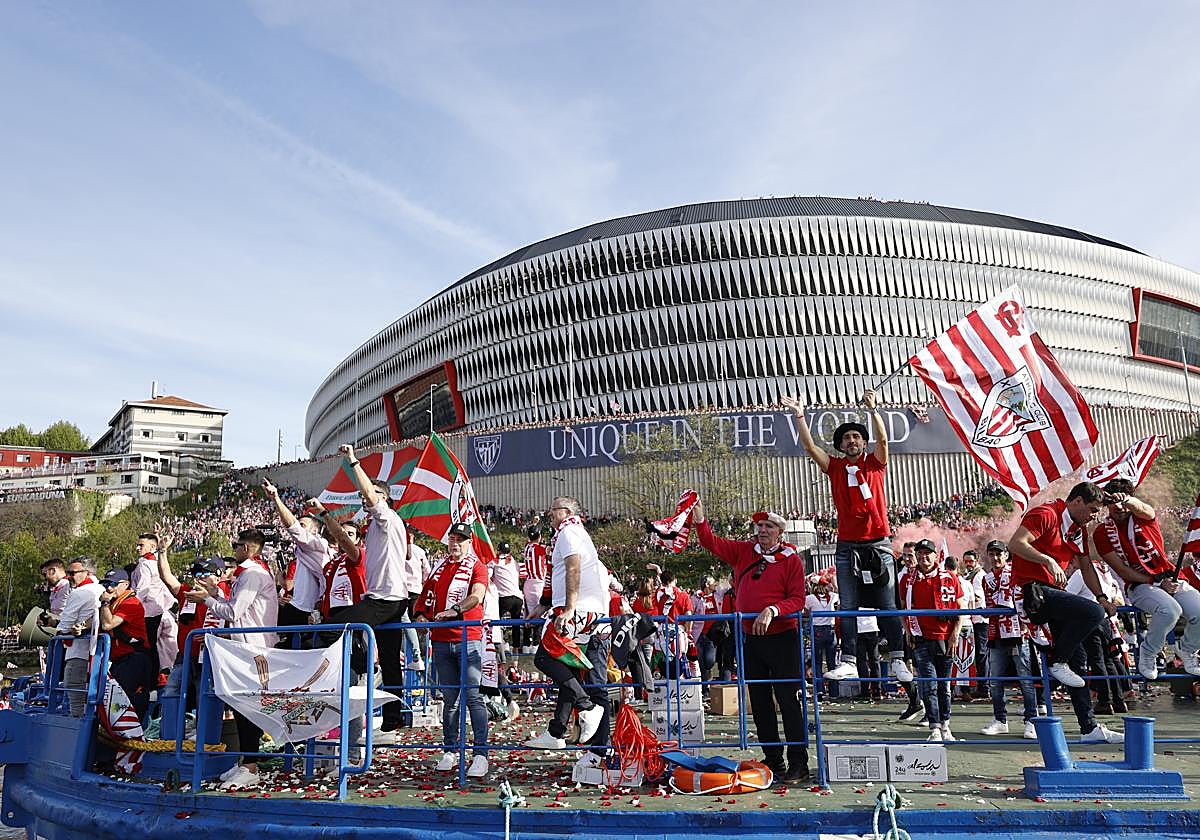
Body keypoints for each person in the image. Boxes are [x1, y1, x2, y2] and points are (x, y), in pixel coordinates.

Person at [783, 392, 913, 686]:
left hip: (878, 541)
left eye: (856, 437)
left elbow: (884, 441)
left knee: (888, 605)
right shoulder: (836, 468)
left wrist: (874, 410)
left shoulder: (875, 464)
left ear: (863, 443)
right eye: (846, 439)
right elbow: (808, 445)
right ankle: (850, 662)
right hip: (847, 545)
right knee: (848, 605)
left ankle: (897, 659)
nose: (852, 441)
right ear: (840, 446)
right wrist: (800, 415)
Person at [695, 502, 809, 781]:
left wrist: (773, 610)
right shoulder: (745, 552)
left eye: (768, 526)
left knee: (789, 701)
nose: (762, 530)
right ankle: (774, 759)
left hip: (783, 638)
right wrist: (699, 516)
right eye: (759, 526)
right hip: (751, 639)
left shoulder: (791, 560)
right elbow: (710, 541)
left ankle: (798, 762)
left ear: (781, 532)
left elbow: (798, 600)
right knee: (759, 703)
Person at [1008, 481, 1122, 743]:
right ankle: (1057, 662)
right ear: (1077, 501)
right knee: (1093, 614)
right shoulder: (1046, 514)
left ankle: (1089, 728)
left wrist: (1103, 596)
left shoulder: (1078, 529)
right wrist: (1047, 559)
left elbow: (1086, 566)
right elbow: (1016, 543)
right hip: (1030, 591)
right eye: (1093, 509)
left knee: (1079, 660)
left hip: (1052, 594)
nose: (1094, 515)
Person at [313, 444, 410, 743]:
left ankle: (346, 676)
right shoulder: (376, 529)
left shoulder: (387, 518)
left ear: (384, 499)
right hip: (386, 598)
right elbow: (342, 537)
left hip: (386, 598)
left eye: (369, 498)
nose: (363, 503)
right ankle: (395, 717)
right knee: (391, 660)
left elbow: (369, 495)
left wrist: (353, 461)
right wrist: (324, 515)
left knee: (331, 629)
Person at [187, 528, 280, 789]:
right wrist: (215, 594)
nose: (234, 549)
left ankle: (250, 764)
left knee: (247, 707)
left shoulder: (252, 574)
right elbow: (236, 607)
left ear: (248, 549)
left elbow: (235, 611)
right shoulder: (249, 574)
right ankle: (246, 761)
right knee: (241, 706)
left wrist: (207, 599)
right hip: (245, 647)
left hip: (251, 648)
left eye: (237, 545)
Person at [525, 496, 610, 772]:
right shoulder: (575, 534)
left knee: (544, 658)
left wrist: (570, 608)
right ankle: (556, 731)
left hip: (578, 610)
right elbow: (560, 574)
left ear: (565, 513)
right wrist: (543, 605)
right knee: (564, 667)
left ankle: (586, 708)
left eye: (552, 512)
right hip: (582, 610)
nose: (549, 517)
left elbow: (572, 567)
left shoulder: (569, 533)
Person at [1090, 478, 1200, 680]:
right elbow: (1123, 570)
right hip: (1140, 584)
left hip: (1170, 576)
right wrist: (1157, 582)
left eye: (1124, 504)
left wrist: (1128, 500)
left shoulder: (1144, 517)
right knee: (1170, 611)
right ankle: (1148, 653)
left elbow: (1144, 508)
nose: (1120, 509)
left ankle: (1187, 650)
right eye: (1114, 505)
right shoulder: (1101, 533)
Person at [413, 522, 490, 778]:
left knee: (473, 696)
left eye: (460, 539)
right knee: (450, 699)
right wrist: (422, 616)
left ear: (469, 543)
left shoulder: (477, 566)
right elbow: (425, 599)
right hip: (441, 640)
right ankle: (451, 750)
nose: (455, 543)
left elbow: (477, 595)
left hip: (468, 637)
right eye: (452, 539)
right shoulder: (438, 567)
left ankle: (480, 754)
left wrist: (455, 611)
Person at [899, 539, 967, 742]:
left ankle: (945, 724)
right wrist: (908, 630)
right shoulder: (907, 580)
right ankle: (935, 726)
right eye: (919, 553)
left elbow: (961, 606)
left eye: (927, 553)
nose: (923, 557)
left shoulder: (950, 577)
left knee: (944, 686)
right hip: (921, 637)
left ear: (936, 555)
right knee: (929, 685)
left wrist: (956, 632)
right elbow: (903, 607)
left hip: (945, 638)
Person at [157, 551, 231, 712]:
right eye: (197, 573)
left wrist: (217, 636)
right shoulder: (188, 593)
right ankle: (169, 734)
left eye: (205, 573)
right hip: (185, 656)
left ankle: (204, 735)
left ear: (218, 576)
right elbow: (167, 577)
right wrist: (162, 552)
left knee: (203, 697)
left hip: (209, 658)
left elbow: (237, 628)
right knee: (171, 692)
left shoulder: (227, 597)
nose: (200, 577)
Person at [979, 540, 1038, 739]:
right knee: (995, 680)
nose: (995, 558)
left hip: (1017, 632)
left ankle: (1031, 720)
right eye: (992, 554)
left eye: (999, 554)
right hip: (996, 633)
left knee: (1025, 680)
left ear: (1006, 555)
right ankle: (1000, 720)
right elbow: (989, 607)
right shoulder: (985, 579)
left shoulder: (1016, 572)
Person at [264, 479, 328, 648]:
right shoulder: (300, 553)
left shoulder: (318, 544)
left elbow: (292, 528)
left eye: (303, 525)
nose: (298, 528)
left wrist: (276, 498)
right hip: (297, 605)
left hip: (311, 610)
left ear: (314, 531)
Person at [98, 568, 154, 722]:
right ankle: (115, 734)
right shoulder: (112, 604)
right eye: (107, 584)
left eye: (114, 584)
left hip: (134, 659)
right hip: (119, 660)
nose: (109, 588)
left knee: (127, 699)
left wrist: (104, 602)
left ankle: (133, 735)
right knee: (113, 700)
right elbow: (96, 622)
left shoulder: (131, 603)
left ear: (126, 584)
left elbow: (108, 624)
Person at [55, 559, 104, 716]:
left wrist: (56, 630)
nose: (68, 577)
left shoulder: (79, 592)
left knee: (74, 694)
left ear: (87, 573)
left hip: (78, 653)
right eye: (68, 573)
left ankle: (78, 730)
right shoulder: (100, 588)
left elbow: (64, 627)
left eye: (72, 573)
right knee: (91, 696)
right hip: (97, 653)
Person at [129, 532, 176, 684]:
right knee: (153, 647)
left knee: (145, 648)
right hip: (157, 610)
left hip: (146, 612)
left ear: (152, 547)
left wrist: (130, 609)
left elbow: (142, 589)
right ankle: (153, 679)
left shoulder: (145, 564)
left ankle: (148, 681)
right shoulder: (154, 562)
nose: (137, 548)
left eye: (141, 545)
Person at [960, 549, 990, 699]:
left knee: (981, 653)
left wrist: (971, 597)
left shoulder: (980, 575)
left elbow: (982, 597)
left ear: (977, 561)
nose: (968, 564)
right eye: (965, 561)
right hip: (972, 620)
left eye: (970, 561)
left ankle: (984, 687)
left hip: (981, 620)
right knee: (972, 654)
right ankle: (977, 685)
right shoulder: (967, 576)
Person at [804, 581, 839, 695]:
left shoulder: (809, 598)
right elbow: (839, 594)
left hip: (817, 630)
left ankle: (820, 690)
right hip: (830, 630)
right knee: (831, 663)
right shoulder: (833, 596)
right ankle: (834, 692)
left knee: (817, 663)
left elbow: (804, 611)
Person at [490, 541, 524, 654]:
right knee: (516, 624)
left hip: (504, 597)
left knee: (495, 621)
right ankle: (515, 651)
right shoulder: (514, 561)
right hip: (518, 597)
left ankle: (498, 646)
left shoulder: (494, 561)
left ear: (499, 550)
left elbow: (488, 577)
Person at [520, 528, 547, 653]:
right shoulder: (540, 549)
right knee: (540, 613)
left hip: (528, 582)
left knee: (528, 614)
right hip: (538, 583)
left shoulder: (527, 548)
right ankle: (536, 644)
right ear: (539, 536)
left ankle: (526, 644)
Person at [40, 559, 70, 626]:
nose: (44, 578)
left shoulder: (68, 586)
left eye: (44, 574)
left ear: (52, 571)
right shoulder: (55, 589)